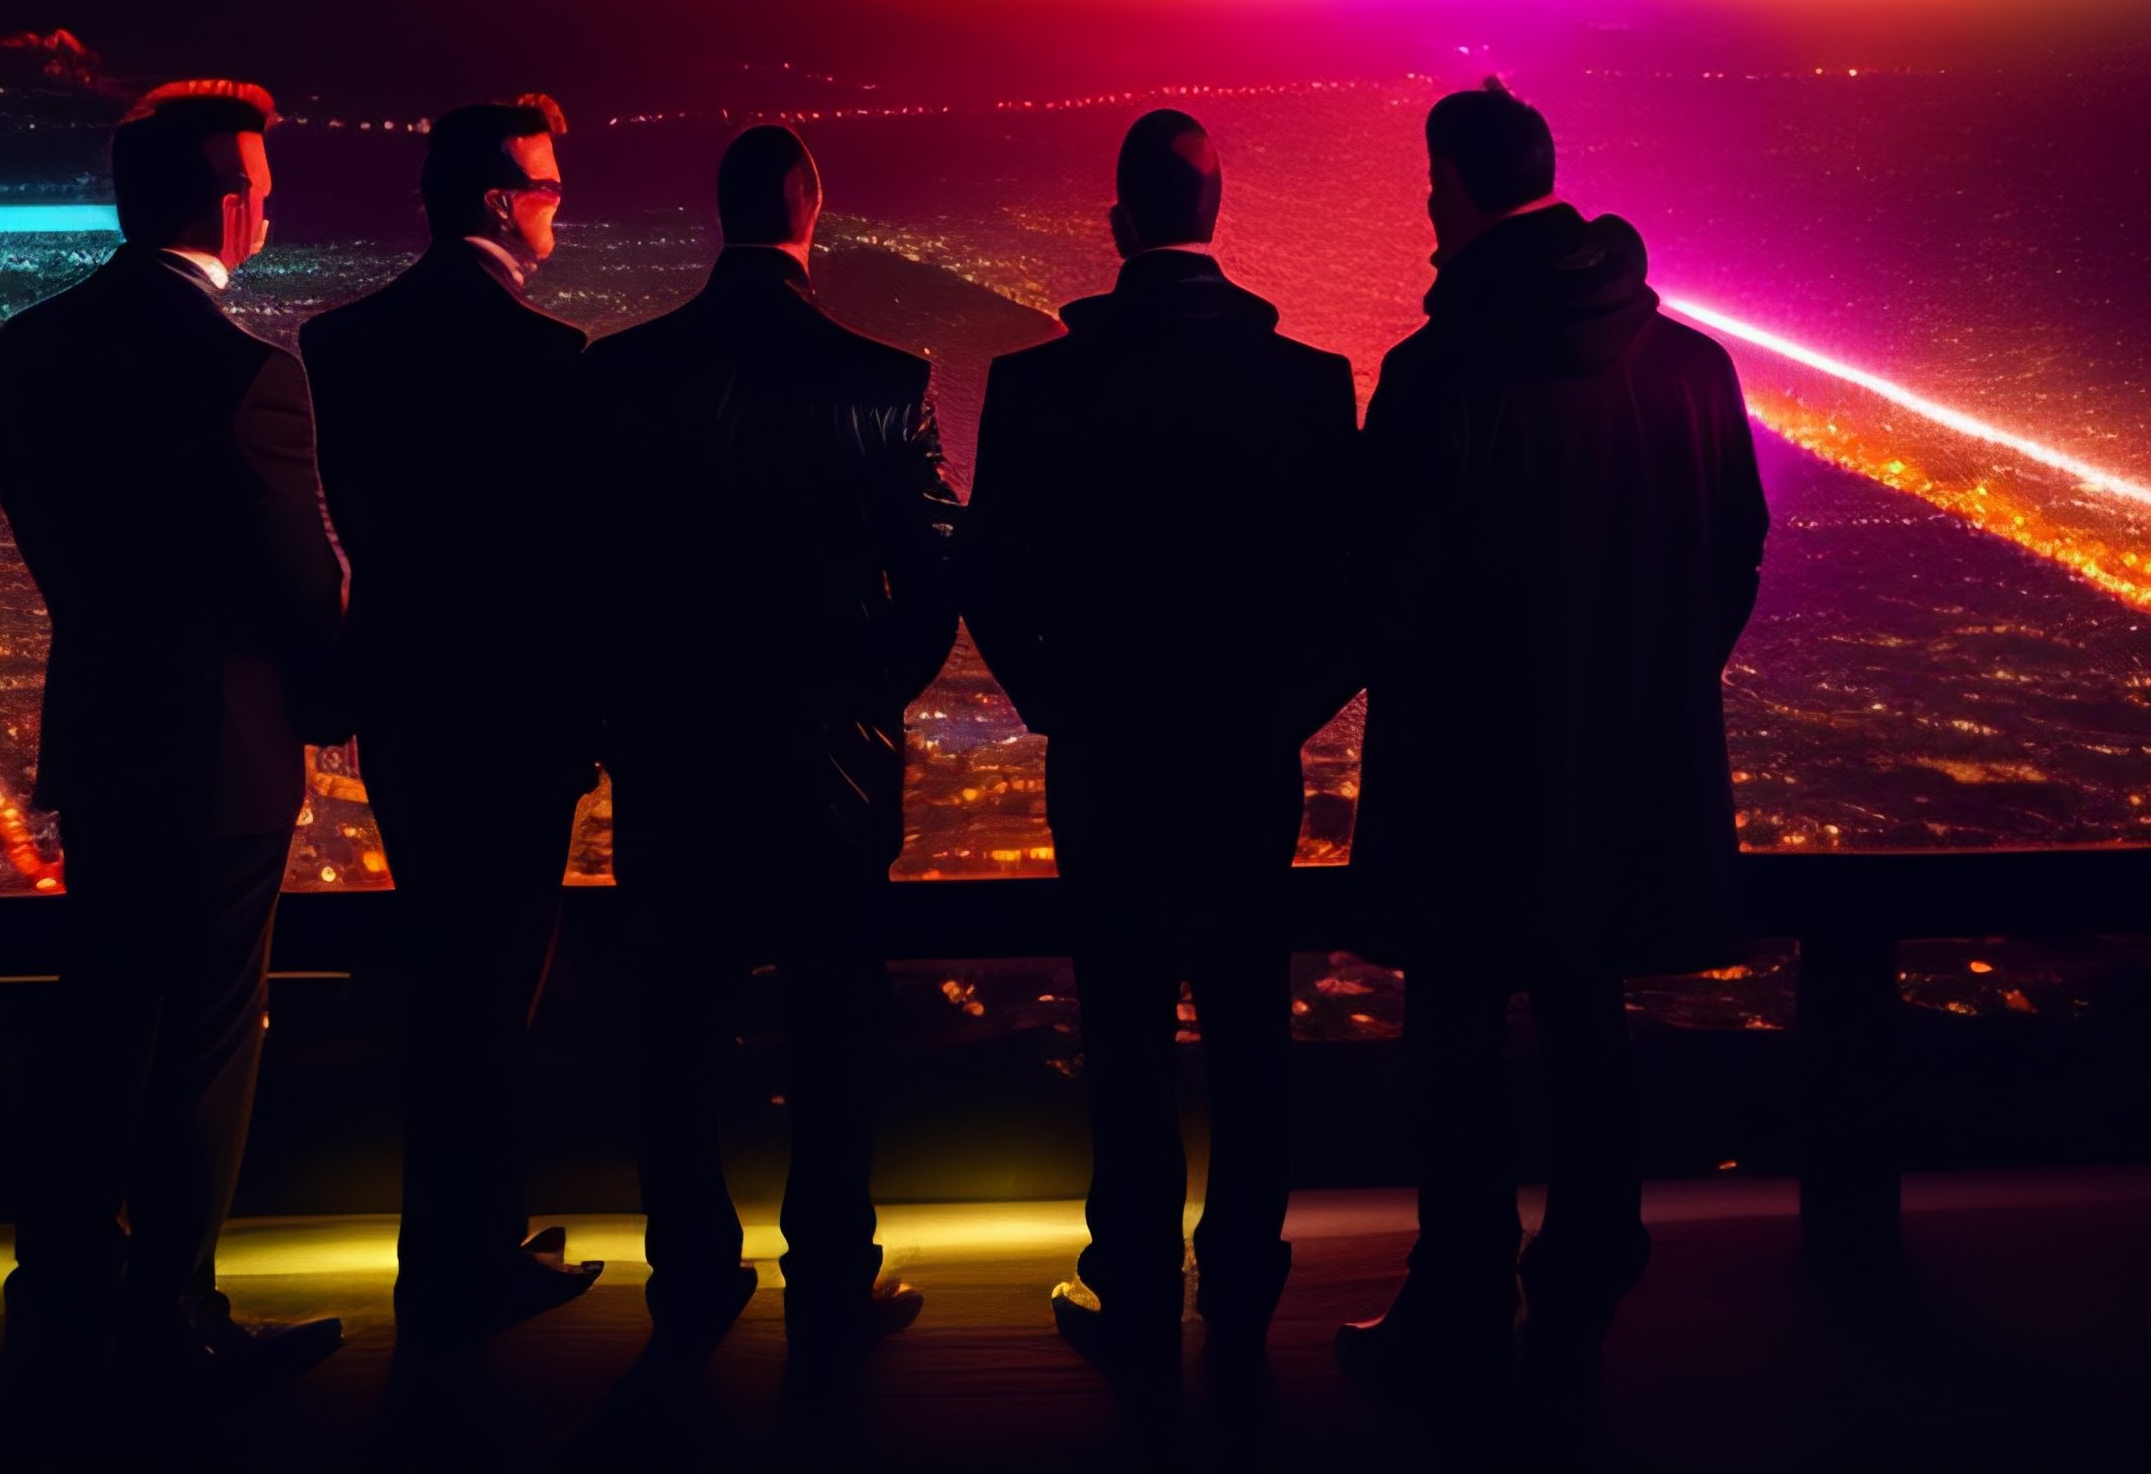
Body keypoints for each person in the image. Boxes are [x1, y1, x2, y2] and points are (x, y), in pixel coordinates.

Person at [1337, 79, 1768, 1426]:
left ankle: (1456, 1299)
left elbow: (1382, 586)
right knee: (1592, 1036)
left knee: (1455, 1047)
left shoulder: (1439, 374)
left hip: (1469, 788)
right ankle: (1579, 1303)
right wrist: (1646, 684)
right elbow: (1736, 556)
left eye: (1429, 187)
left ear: (1452, 189)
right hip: (1619, 780)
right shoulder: (1695, 366)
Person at [958, 108, 1361, 1353]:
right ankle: (1243, 1277)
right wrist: (1272, 716)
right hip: (1246, 764)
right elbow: (1350, 596)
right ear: (1215, 213)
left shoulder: (1037, 385)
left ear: (1119, 223)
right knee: (1249, 1031)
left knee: (1121, 1027)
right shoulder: (1308, 385)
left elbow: (991, 576)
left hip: (1107, 759)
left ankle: (1129, 1275)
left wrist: (1058, 703)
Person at [0, 79, 349, 1394]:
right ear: (232, 206)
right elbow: (303, 588)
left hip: (105, 735)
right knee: (203, 1041)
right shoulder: (248, 377)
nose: (274, 201)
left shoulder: (32, 350)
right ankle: (176, 1314)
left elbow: (58, 549)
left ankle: (62, 1297)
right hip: (224, 755)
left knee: (98, 1027)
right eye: (263, 182)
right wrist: (339, 700)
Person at [579, 124, 960, 1345]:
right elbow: (938, 576)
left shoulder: (623, 373)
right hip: (831, 767)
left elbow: (582, 579)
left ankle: (689, 1275)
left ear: (719, 207)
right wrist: (871, 698)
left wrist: (630, 717)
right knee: (834, 1027)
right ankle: (834, 1273)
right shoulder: (885, 379)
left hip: (677, 760)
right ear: (813, 210)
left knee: (679, 1030)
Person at [298, 96, 603, 1344]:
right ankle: (466, 1257)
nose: (557, 204)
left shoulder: (340, 342)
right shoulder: (548, 360)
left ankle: (458, 1240)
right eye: (543, 185)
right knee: (498, 990)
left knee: (440, 977)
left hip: (406, 704)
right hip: (519, 715)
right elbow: (569, 561)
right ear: (495, 200)